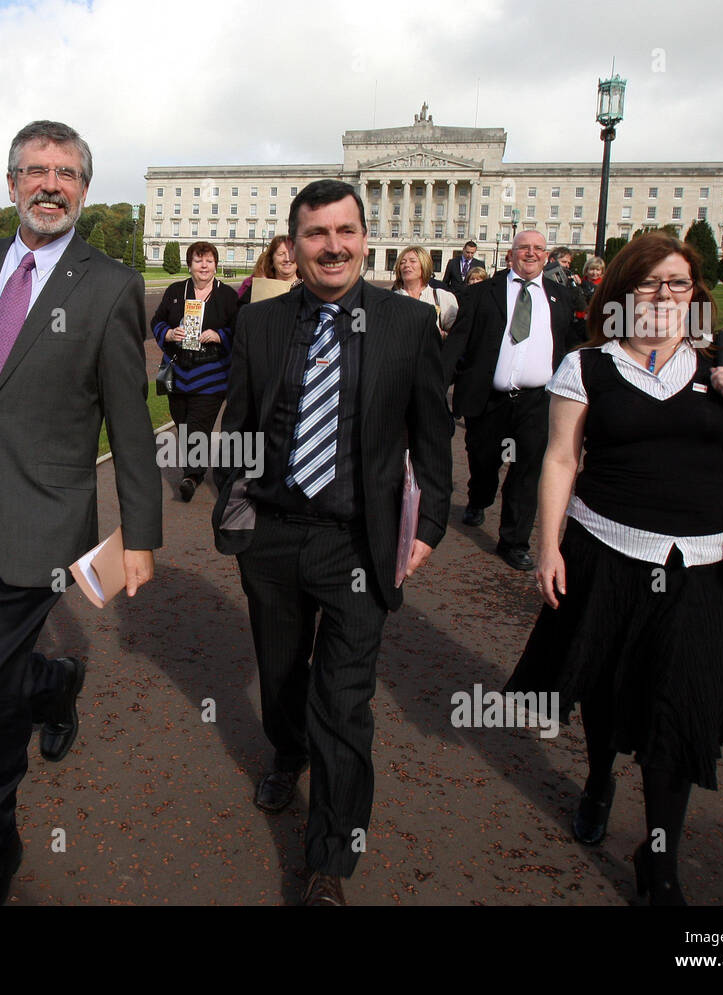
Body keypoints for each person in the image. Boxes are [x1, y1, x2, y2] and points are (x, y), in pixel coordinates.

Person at [505, 232, 723, 905]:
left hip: (700, 565)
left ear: (695, 291)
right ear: (626, 291)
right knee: (607, 691)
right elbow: (559, 459)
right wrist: (548, 545)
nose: (665, 295)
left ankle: (658, 859)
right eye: (651, 282)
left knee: (678, 707)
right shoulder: (589, 367)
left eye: (679, 282)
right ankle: (600, 774)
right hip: (608, 552)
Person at [0, 120, 162, 906]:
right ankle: (54, 685)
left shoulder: (112, 284)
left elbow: (130, 424)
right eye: (36, 170)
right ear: (11, 182)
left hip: (43, 519)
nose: (50, 184)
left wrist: (141, 536)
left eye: (66, 173)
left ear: (84, 189)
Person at [212, 180, 452, 906]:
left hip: (358, 542)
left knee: (344, 704)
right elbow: (243, 425)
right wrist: (232, 503)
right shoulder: (261, 325)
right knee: (281, 672)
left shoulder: (408, 324)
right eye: (317, 233)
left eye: (346, 230)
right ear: (295, 244)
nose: (334, 245)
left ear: (365, 237)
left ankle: (330, 862)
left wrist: (431, 526)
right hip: (275, 537)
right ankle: (286, 751)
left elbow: (433, 437)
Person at [448, 229, 578, 570]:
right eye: (524, 248)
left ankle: (514, 540)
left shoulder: (561, 297)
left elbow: (576, 342)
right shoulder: (481, 294)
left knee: (527, 471)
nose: (531, 254)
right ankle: (479, 497)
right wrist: (434, 388)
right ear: (511, 253)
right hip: (490, 399)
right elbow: (458, 343)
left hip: (538, 401)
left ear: (547, 256)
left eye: (538, 249)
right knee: (484, 459)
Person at [151, 241, 239, 500]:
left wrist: (220, 335)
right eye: (199, 260)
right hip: (178, 373)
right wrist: (168, 333)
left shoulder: (227, 296)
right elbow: (157, 321)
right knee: (182, 423)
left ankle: (192, 475)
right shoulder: (176, 291)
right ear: (189, 264)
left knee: (197, 426)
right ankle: (195, 467)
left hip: (212, 374)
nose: (204, 265)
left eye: (209, 260)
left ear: (215, 265)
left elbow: (239, 329)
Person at [391, 244, 459, 333]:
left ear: (424, 265)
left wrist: (442, 336)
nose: (406, 265)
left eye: (412, 261)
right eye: (402, 262)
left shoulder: (441, 297)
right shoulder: (391, 299)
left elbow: (457, 334)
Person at [239, 234, 300, 304]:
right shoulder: (260, 286)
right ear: (272, 259)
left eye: (291, 253)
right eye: (281, 254)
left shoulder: (309, 289)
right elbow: (241, 312)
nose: (287, 259)